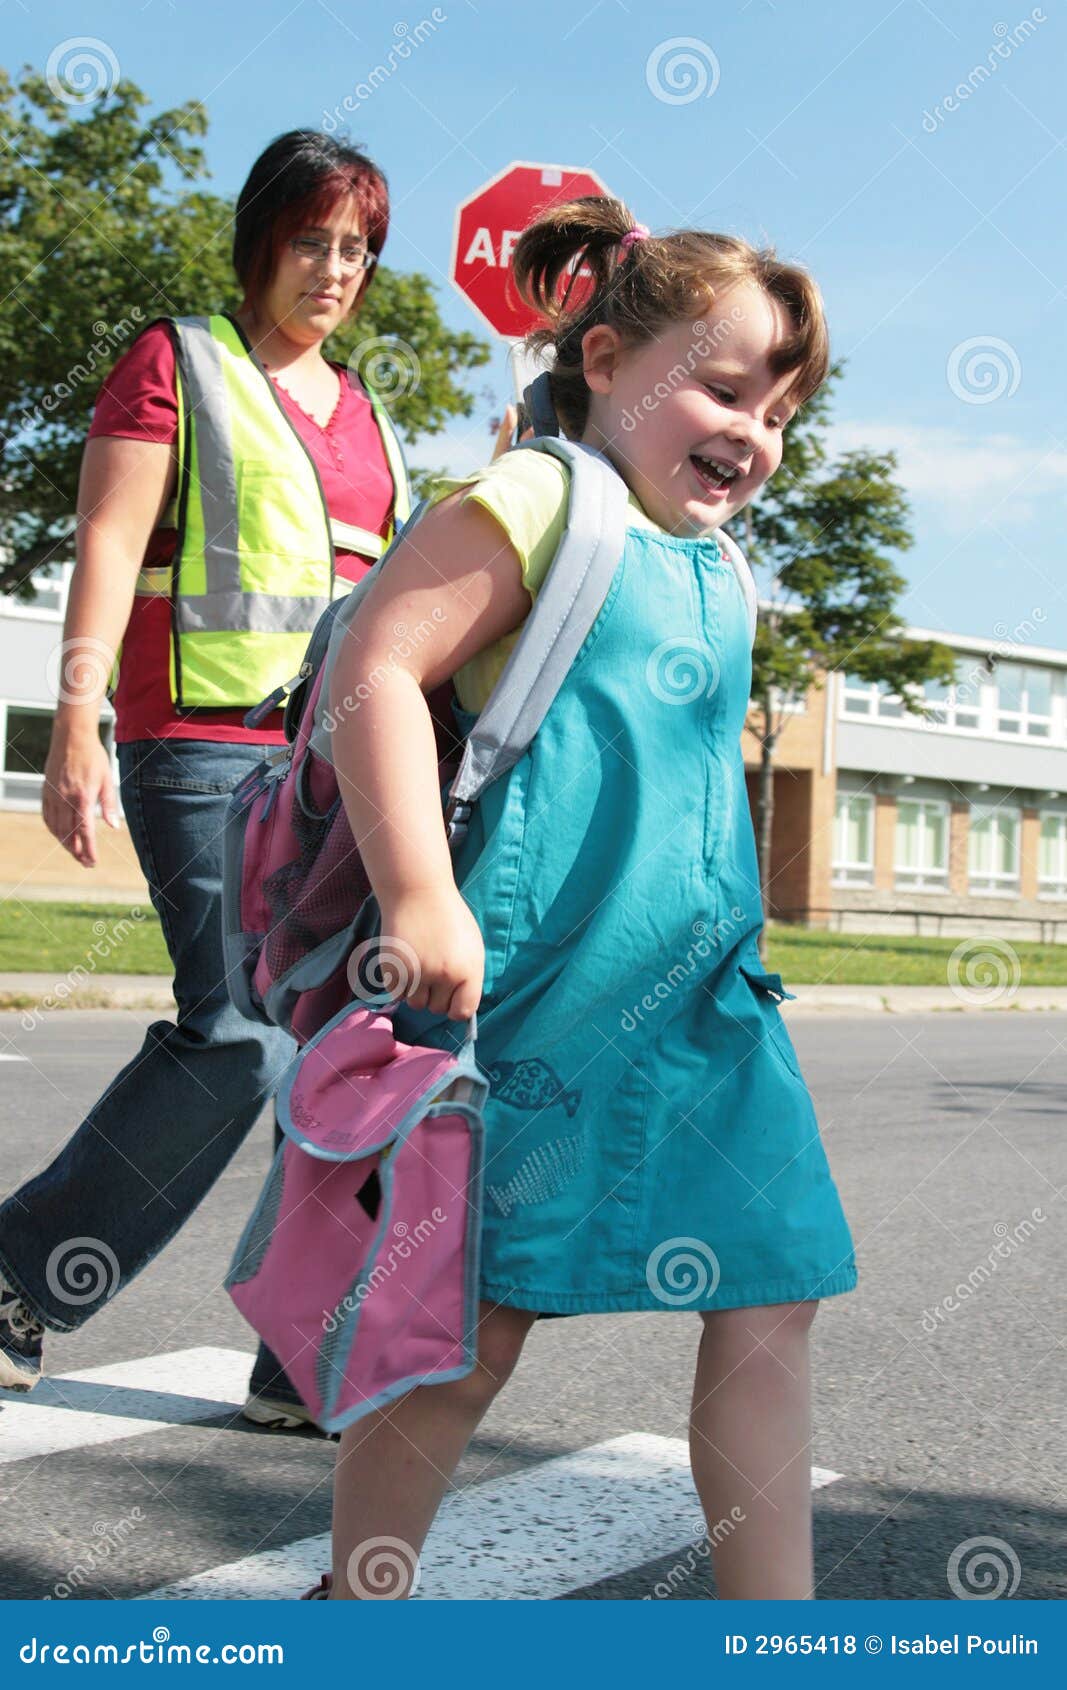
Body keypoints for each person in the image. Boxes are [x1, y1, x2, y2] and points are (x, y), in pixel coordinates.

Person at [302, 198, 858, 1601]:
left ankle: (769, 1623)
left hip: (717, 1016)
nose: (754, 429)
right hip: (541, 1005)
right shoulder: (553, 497)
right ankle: (360, 1605)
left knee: (770, 1290)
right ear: (605, 359)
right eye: (723, 387)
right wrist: (419, 891)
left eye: (780, 407)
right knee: (471, 1333)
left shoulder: (723, 567)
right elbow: (375, 663)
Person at [0, 129, 412, 1431]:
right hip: (201, 744)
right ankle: (19, 1272)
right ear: (261, 241)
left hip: (337, 776)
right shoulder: (176, 362)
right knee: (236, 1035)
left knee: (356, 1050)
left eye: (357, 248)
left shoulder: (373, 419)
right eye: (312, 238)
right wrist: (76, 720)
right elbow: (111, 543)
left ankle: (294, 1351)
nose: (335, 268)